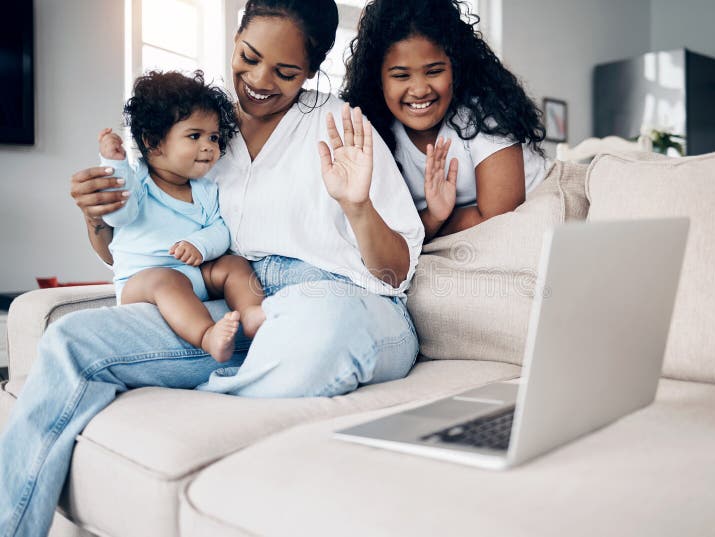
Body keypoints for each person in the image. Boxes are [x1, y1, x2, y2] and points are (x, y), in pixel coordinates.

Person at [0, 1, 423, 535]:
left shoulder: (341, 126)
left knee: (314, 329)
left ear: (312, 71)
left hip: (344, 300)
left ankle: (203, 413)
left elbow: (395, 273)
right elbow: (135, 250)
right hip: (229, 307)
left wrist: (358, 206)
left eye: (286, 72)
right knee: (69, 341)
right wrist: (98, 222)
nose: (260, 81)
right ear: (235, 37)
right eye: (248, 57)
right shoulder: (199, 124)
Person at [341, 0, 549, 241]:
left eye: (434, 71)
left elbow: (499, 218)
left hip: (536, 206)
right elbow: (385, 238)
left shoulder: (483, 113)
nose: (419, 89)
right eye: (401, 75)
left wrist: (420, 226)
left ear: (455, 68)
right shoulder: (375, 132)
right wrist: (434, 216)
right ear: (378, 80)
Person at [99, 70, 266, 363]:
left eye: (214, 137)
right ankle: (207, 335)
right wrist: (115, 166)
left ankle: (252, 313)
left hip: (194, 272)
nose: (209, 146)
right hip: (144, 281)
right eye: (194, 136)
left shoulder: (204, 188)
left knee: (234, 264)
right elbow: (118, 216)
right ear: (154, 142)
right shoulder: (139, 182)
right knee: (167, 279)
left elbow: (219, 229)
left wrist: (199, 244)